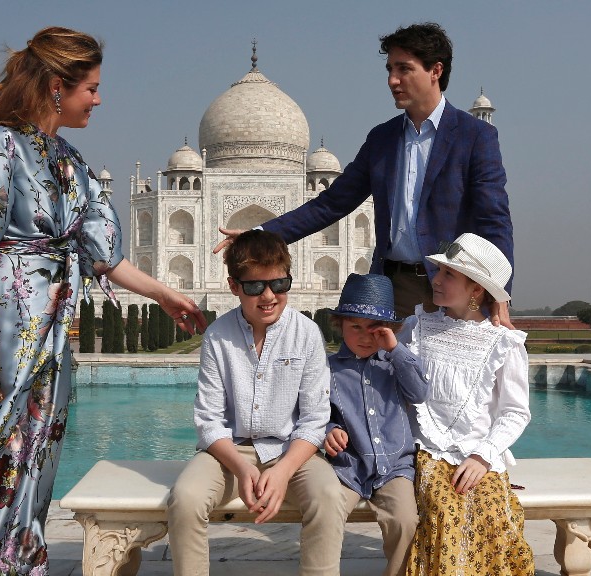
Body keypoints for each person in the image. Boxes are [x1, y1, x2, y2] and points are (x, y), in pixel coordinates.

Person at [0, 27, 206, 575]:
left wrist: (166, 294)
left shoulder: (68, 160)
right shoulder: (1, 147)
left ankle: (13, 560)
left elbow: (102, 255)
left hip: (45, 330)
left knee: (28, 448)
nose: (98, 99)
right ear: (56, 87)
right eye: (90, 88)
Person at [213, 22, 514, 326]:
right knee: (391, 370)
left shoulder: (474, 136)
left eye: (403, 69)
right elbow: (332, 203)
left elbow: (494, 219)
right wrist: (262, 233)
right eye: (389, 70)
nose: (392, 80)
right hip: (395, 286)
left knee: (457, 371)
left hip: (455, 285)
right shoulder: (382, 139)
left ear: (435, 71)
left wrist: (499, 292)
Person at [166, 230, 347, 576]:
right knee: (186, 499)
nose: (269, 296)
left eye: (279, 285)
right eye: (255, 287)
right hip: (229, 451)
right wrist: (243, 467)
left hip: (290, 450)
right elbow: (208, 421)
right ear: (234, 287)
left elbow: (314, 420)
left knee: (327, 496)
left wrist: (282, 471)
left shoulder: (306, 333)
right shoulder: (219, 336)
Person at [400, 233, 533, 575]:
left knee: (494, 516)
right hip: (425, 452)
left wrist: (483, 454)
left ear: (476, 289)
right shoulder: (417, 328)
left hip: (478, 454)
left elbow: (515, 412)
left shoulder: (503, 343)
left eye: (448, 275)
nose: (436, 280)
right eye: (439, 271)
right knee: (444, 512)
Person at [323, 273, 430, 576]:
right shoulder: (329, 369)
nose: (365, 336)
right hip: (348, 466)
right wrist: (328, 431)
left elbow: (420, 393)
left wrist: (395, 349)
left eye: (374, 329)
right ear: (339, 324)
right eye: (355, 326)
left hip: (394, 466)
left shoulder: (394, 364)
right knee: (325, 515)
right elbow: (316, 413)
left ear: (389, 330)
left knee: (405, 522)